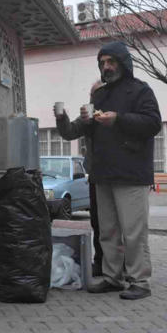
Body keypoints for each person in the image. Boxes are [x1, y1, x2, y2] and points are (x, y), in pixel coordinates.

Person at [81, 42, 161, 300]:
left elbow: (153, 123)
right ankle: (112, 278)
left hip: (131, 174)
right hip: (103, 173)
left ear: (123, 63)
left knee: (134, 232)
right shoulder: (100, 95)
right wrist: (85, 120)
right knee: (108, 231)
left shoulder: (141, 91)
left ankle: (140, 282)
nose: (106, 67)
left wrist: (118, 119)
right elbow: (90, 131)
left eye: (111, 61)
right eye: (102, 62)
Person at [53, 80, 104, 276]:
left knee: (119, 225)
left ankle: (123, 265)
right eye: (92, 94)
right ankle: (100, 263)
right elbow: (69, 131)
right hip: (97, 176)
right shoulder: (88, 116)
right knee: (98, 223)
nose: (93, 98)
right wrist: (62, 118)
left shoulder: (118, 113)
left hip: (119, 176)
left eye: (97, 93)